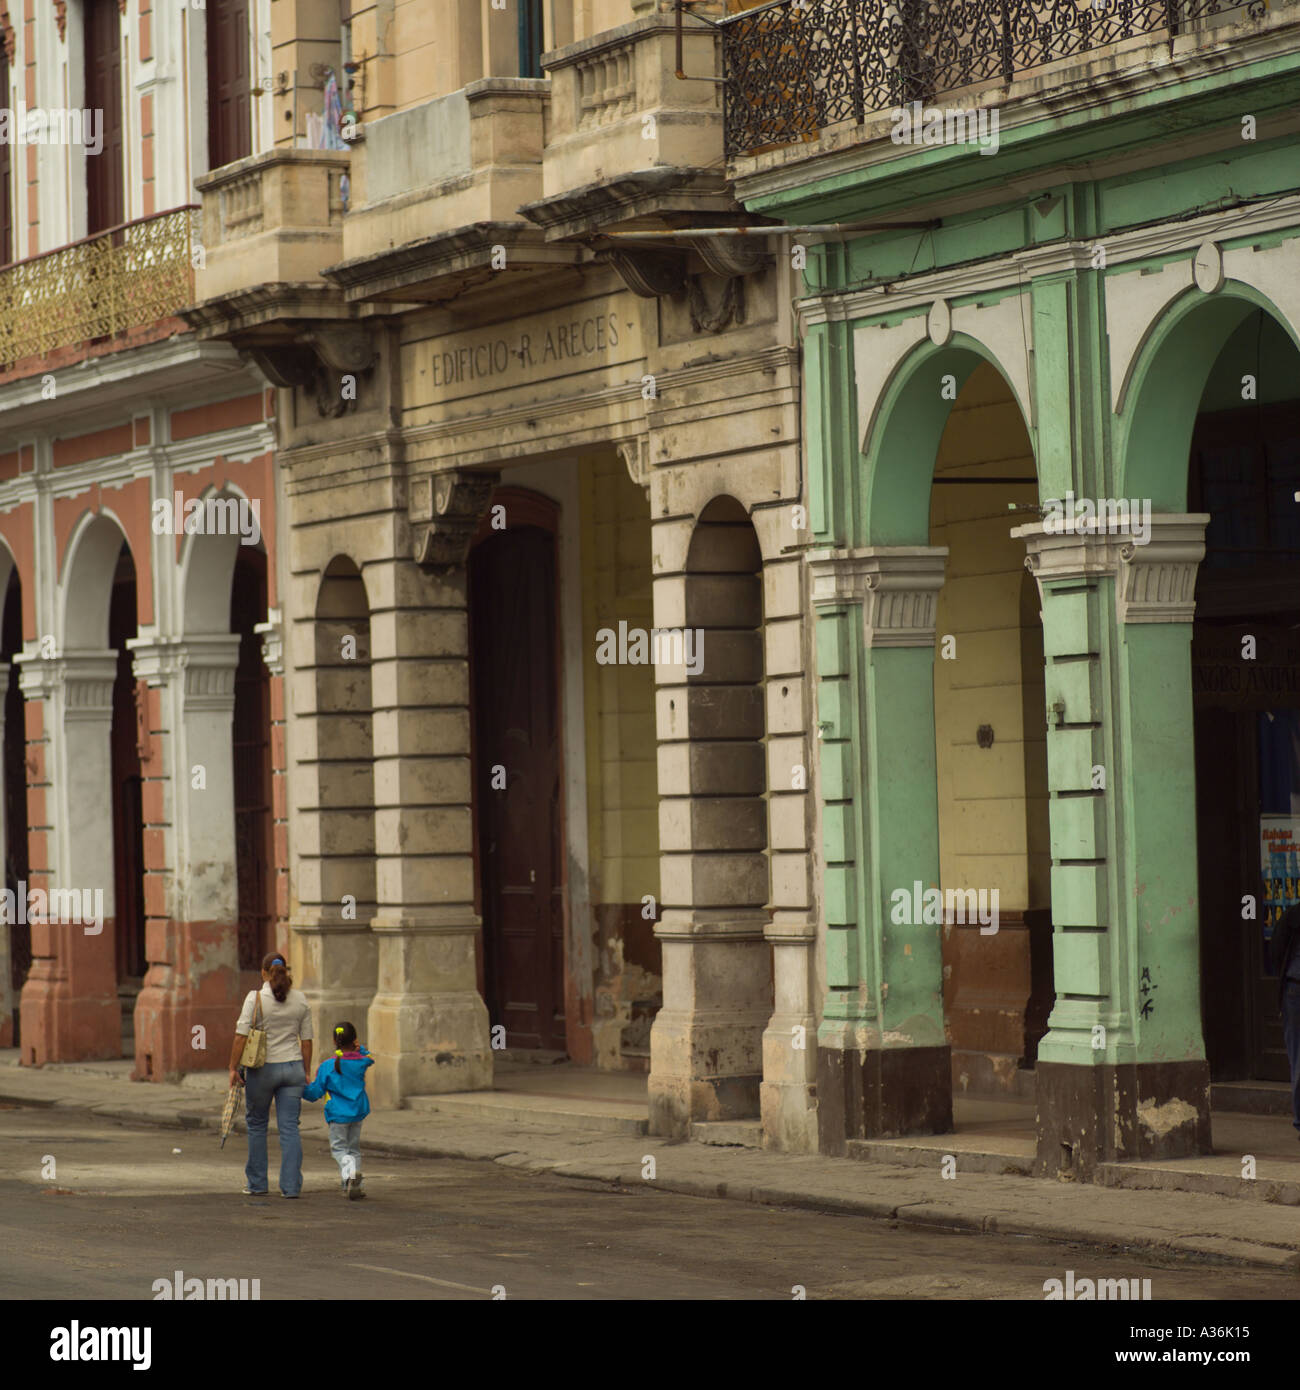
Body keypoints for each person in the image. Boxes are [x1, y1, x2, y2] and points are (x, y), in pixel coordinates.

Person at [228, 952, 313, 1197]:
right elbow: (306, 1040)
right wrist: (306, 1071)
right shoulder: (300, 999)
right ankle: (291, 1187)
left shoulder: (255, 999)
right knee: (290, 1128)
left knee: (256, 1125)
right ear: (285, 971)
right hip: (293, 1067)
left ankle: (257, 1184)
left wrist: (233, 1068)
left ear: (264, 973)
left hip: (263, 1070)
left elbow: (240, 1037)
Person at [303, 1021, 374, 1200]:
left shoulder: (328, 1066)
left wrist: (300, 1088)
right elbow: (368, 1056)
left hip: (338, 1114)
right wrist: (360, 1048)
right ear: (355, 1040)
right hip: (357, 1112)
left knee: (339, 1149)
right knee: (354, 1149)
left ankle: (350, 1176)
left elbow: (315, 1092)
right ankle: (352, 1183)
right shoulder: (361, 1061)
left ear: (335, 1041)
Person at [1274, 903, 1300, 1140]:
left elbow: (1276, 951)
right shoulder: (1293, 915)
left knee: (1298, 1057)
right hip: (1295, 990)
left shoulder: (1293, 914)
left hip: (1294, 988)